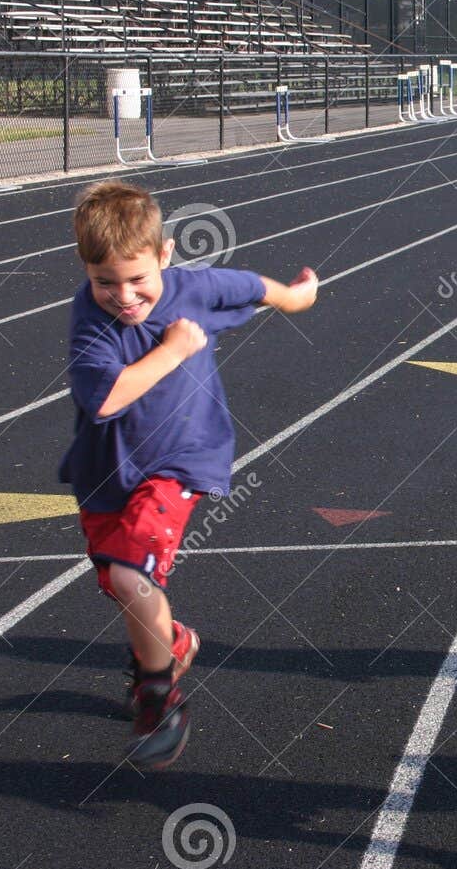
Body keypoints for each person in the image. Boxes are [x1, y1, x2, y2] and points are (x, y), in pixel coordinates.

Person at [59, 181, 318, 769]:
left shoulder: (193, 289)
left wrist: (299, 296)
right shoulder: (89, 320)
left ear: (166, 255)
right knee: (123, 585)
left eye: (137, 280)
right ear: (86, 271)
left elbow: (253, 287)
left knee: (132, 576)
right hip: (108, 467)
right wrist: (173, 350)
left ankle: (160, 698)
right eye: (105, 282)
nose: (123, 297)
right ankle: (171, 644)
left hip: (180, 460)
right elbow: (107, 400)